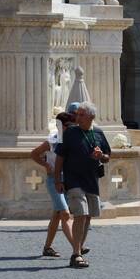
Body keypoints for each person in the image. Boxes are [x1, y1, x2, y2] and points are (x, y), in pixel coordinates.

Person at [53, 102, 110, 269]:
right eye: (76, 114)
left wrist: (102, 156)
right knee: (80, 213)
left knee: (88, 217)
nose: (76, 117)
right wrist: (57, 180)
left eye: (80, 115)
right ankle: (76, 254)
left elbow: (107, 156)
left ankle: (77, 249)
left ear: (91, 117)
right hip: (73, 180)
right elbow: (59, 158)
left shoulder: (98, 133)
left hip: (91, 180)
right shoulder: (70, 132)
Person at [30, 111, 77, 258]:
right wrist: (46, 165)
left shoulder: (72, 140)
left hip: (67, 180)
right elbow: (34, 153)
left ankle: (47, 247)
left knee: (57, 215)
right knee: (65, 213)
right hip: (53, 180)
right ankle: (77, 247)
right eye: (67, 126)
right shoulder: (52, 140)